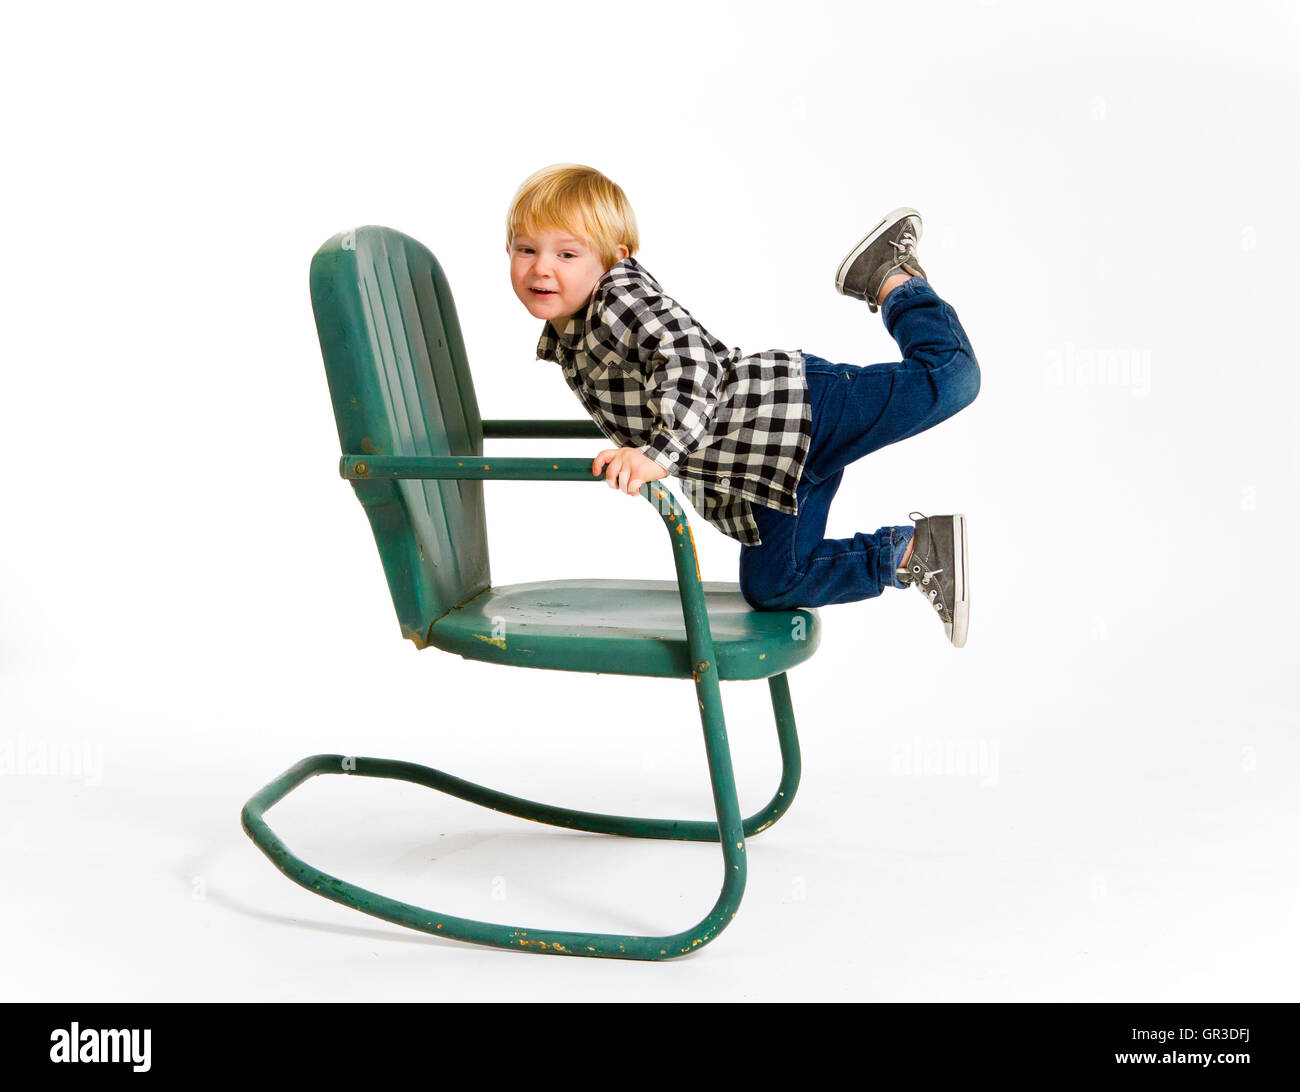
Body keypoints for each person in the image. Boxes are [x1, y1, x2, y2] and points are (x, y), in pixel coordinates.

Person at [507, 163, 980, 646]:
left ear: (613, 258)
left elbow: (687, 364)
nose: (541, 267)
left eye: (566, 253)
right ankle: (914, 551)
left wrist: (657, 453)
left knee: (952, 378)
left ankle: (892, 276)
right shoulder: (568, 338)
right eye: (526, 249)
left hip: (795, 410)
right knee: (775, 585)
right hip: (766, 473)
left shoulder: (618, 298)